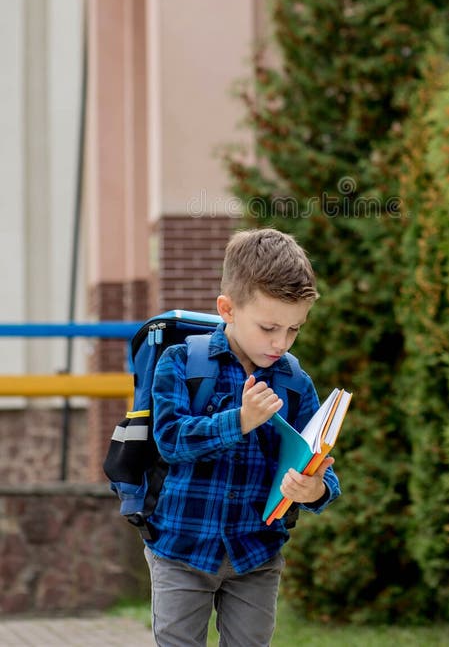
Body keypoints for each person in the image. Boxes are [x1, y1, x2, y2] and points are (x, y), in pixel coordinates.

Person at [144, 227, 341, 646]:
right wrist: (239, 421)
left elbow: (318, 462)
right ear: (228, 309)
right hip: (182, 548)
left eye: (293, 330)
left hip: (256, 555)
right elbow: (171, 440)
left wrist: (314, 488)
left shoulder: (294, 382)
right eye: (269, 327)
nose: (280, 342)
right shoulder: (180, 362)